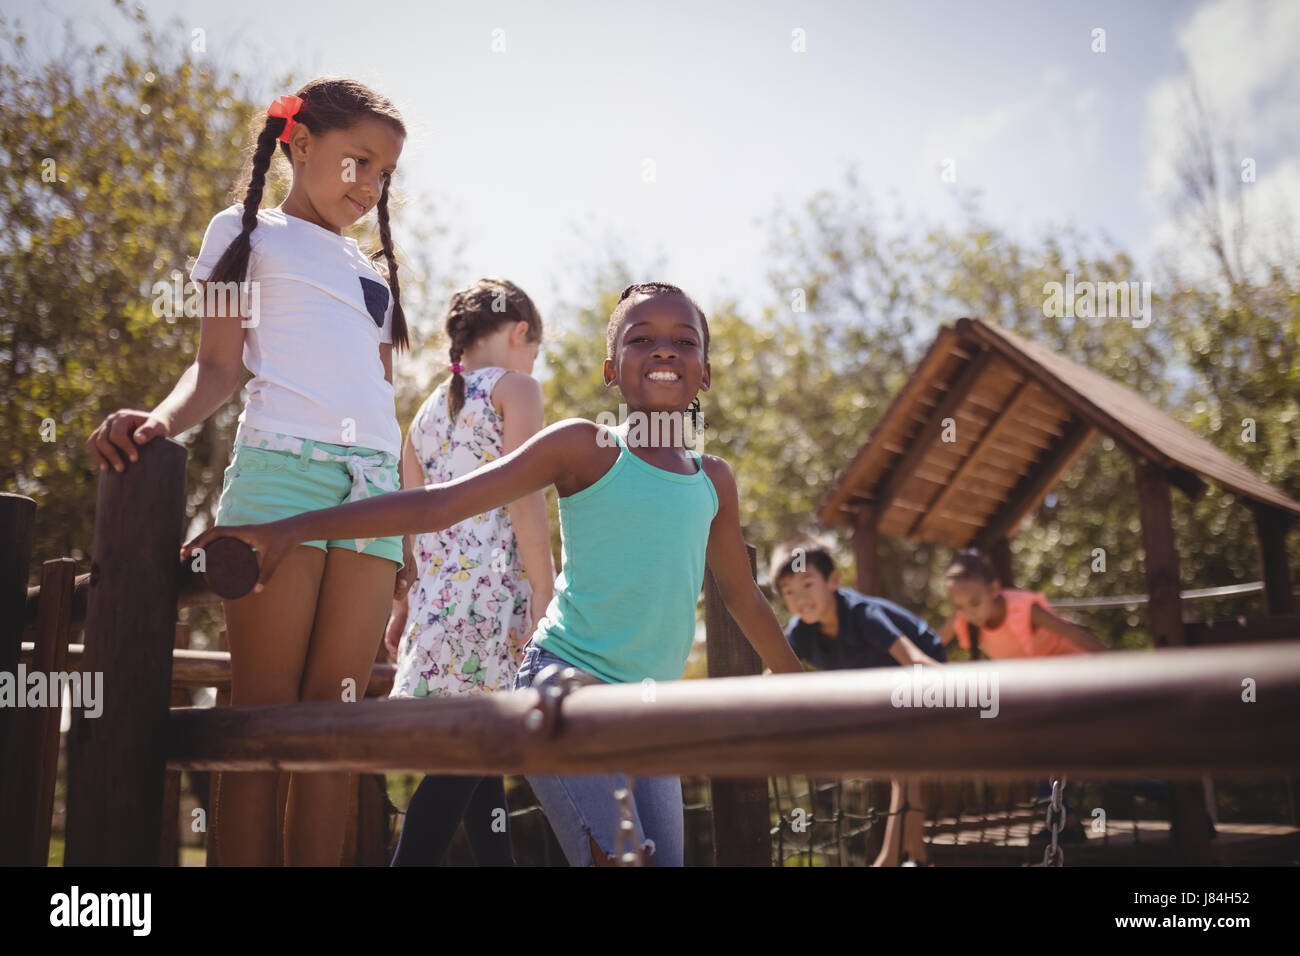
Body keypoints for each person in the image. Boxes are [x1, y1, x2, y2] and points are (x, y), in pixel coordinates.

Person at [182, 281, 806, 867]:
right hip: (563, 686)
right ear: (611, 370)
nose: (664, 347)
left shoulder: (713, 480)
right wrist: (288, 529)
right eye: (641, 337)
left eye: (684, 339)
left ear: (705, 371)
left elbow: (742, 596)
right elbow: (437, 504)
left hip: (650, 711)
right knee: (620, 857)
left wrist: (800, 686)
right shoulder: (581, 447)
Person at [88, 78, 412, 865]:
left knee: (333, 728)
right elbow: (215, 369)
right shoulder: (243, 234)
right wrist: (157, 422)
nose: (368, 188)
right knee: (262, 722)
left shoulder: (371, 271)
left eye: (383, 175)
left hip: (375, 497)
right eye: (356, 163)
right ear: (300, 146)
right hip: (282, 478)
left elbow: (378, 399)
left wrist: (412, 520)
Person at [385, 279, 552, 866]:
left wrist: (402, 608)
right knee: (469, 758)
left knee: (480, 763)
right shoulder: (518, 389)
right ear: (518, 332)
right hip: (490, 603)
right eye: (536, 347)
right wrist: (546, 591)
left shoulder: (425, 415)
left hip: (437, 610)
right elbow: (526, 498)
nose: (534, 362)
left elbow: (410, 524)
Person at [770, 535, 944, 866]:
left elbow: (916, 661)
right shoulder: (800, 632)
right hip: (880, 692)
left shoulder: (863, 615)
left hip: (917, 679)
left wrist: (970, 689)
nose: (799, 598)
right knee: (905, 773)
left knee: (905, 769)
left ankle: (891, 860)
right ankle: (914, 858)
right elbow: (772, 677)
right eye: (789, 592)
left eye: (807, 584)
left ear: (834, 580)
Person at [938, 548, 1108, 843]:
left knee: (1106, 761)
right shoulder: (967, 620)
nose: (969, 613)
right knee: (1041, 755)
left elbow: (1072, 634)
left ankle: (1177, 797)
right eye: (960, 607)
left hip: (1077, 680)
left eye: (975, 603)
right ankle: (1063, 822)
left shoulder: (1022, 609)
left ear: (994, 589)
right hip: (1043, 691)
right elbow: (932, 644)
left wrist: (1119, 665)